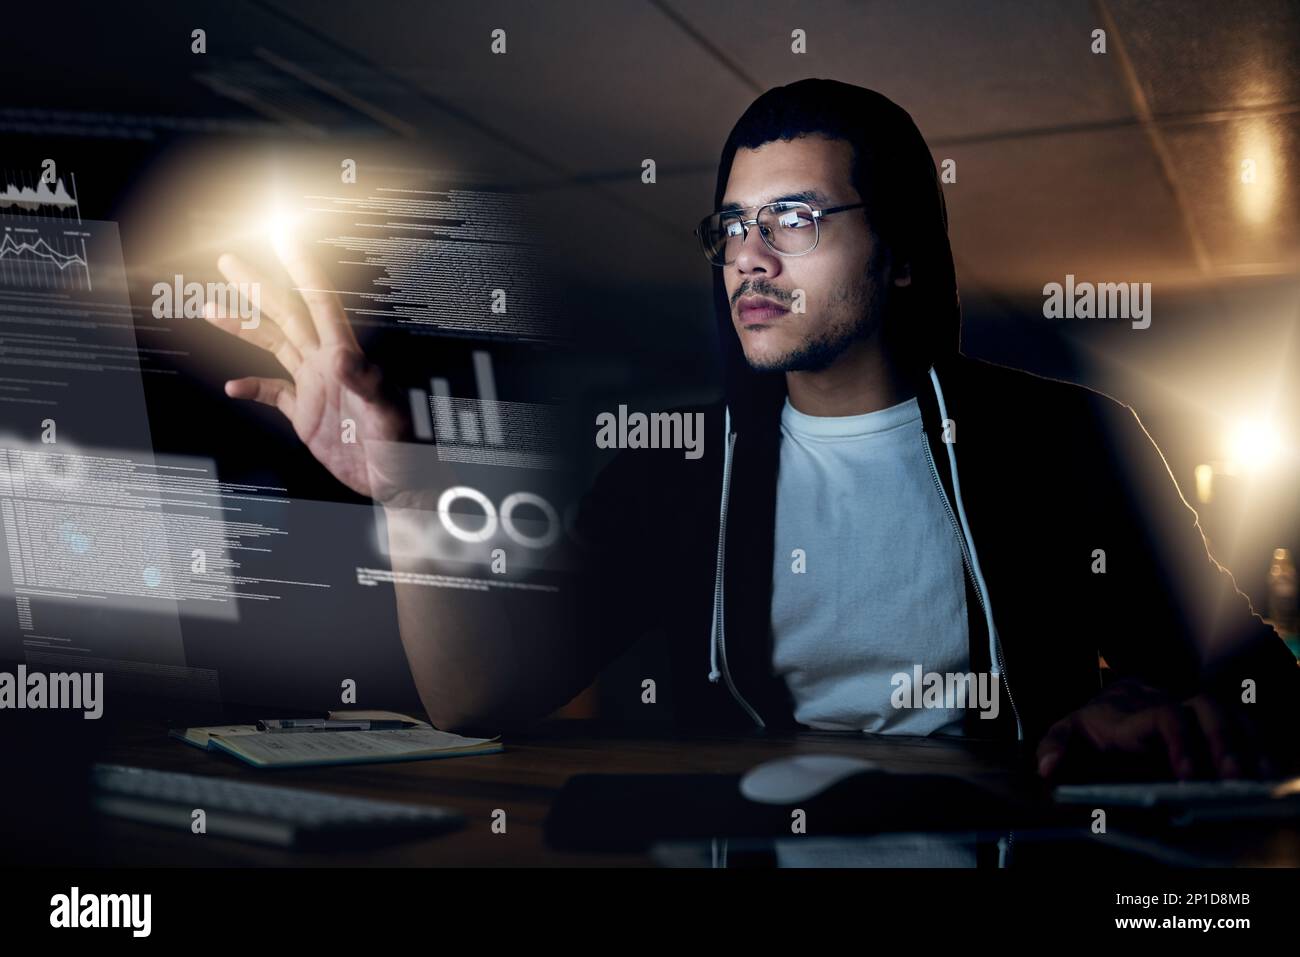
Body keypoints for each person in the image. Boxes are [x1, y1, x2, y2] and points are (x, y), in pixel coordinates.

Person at [206, 78, 1298, 781]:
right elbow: (476, 695)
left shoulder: (1068, 436)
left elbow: (1255, 681)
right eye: (732, 225)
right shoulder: (678, 460)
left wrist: (1143, 702)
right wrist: (403, 496)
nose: (749, 257)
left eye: (796, 219)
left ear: (904, 252)